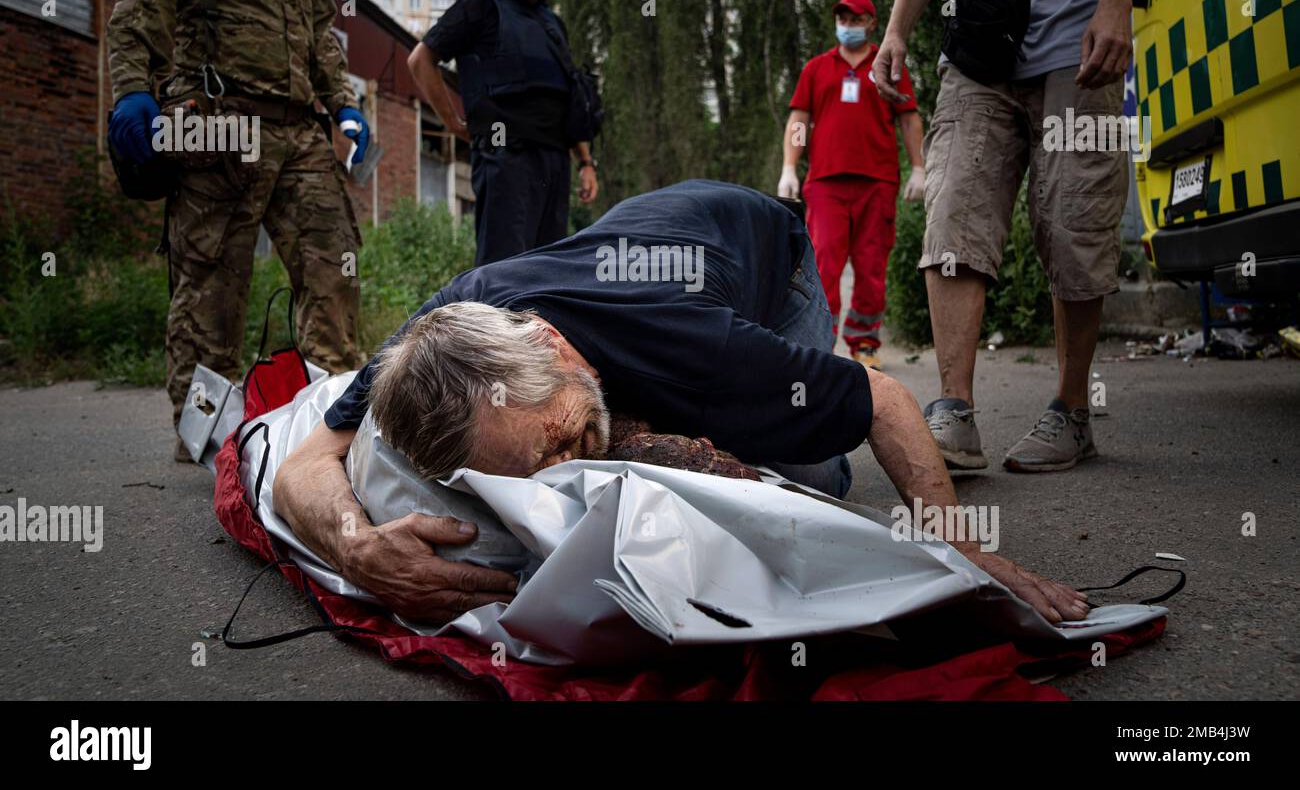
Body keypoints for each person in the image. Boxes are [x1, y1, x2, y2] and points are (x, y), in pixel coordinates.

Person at [272, 180, 1090, 628]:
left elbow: (886, 401)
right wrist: (355, 546)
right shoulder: (442, 335)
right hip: (645, 242)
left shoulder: (697, 345)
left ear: (556, 349)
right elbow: (307, 463)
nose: (568, 472)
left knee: (813, 478)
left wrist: (963, 555)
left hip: (770, 254)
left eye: (562, 440)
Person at [873, 0, 1139, 472]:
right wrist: (894, 33)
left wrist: (1114, 8)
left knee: (1076, 224)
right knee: (954, 209)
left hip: (1079, 44)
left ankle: (1071, 413)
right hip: (979, 47)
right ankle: (954, 413)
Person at [107, 0, 370, 462]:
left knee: (334, 267)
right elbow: (139, 11)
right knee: (211, 289)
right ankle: (209, 441)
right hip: (218, 127)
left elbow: (319, 37)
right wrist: (132, 94)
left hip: (300, 133)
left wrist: (345, 105)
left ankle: (330, 424)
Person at [407, 0, 597, 267]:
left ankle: (538, 322)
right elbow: (420, 60)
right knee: (504, 267)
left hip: (554, 160)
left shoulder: (553, 24)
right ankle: (490, 322)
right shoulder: (482, 5)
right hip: (506, 156)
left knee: (548, 267)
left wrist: (585, 162)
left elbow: (570, 96)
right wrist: (453, 123)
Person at [780, 0, 925, 370]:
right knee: (823, 265)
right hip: (826, 184)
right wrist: (789, 168)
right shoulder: (817, 68)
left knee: (871, 267)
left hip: (878, 182)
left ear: (872, 24)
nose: (847, 26)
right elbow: (799, 120)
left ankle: (865, 344)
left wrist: (920, 167)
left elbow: (909, 118)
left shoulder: (889, 66)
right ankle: (819, 344)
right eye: (842, 19)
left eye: (855, 19)